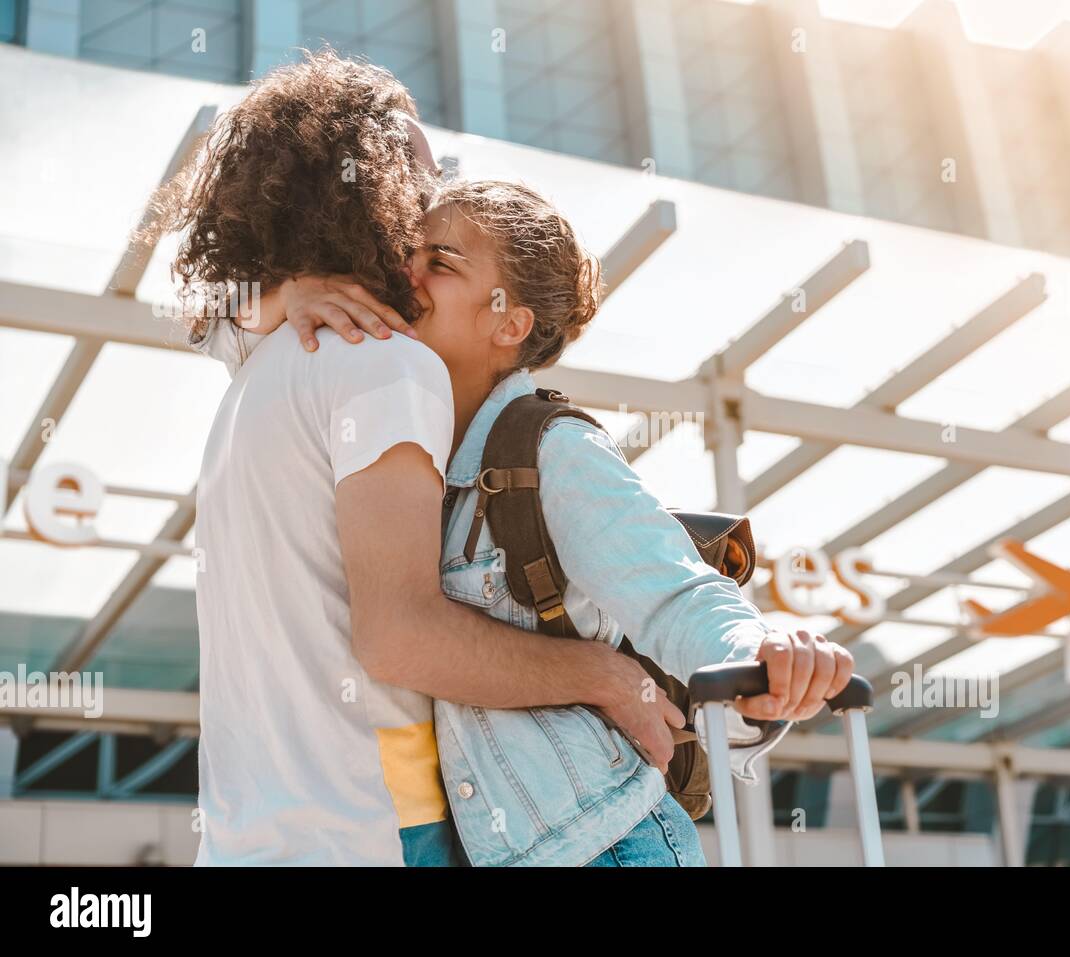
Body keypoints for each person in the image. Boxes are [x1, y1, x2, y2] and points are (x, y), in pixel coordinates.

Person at [165, 52, 855, 867]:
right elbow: (399, 636)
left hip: (569, 838)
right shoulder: (372, 361)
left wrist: (759, 652)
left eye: (441, 258)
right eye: (413, 179)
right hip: (401, 833)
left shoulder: (278, 373)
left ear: (509, 322)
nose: (415, 227)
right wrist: (602, 675)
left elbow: (669, 585)